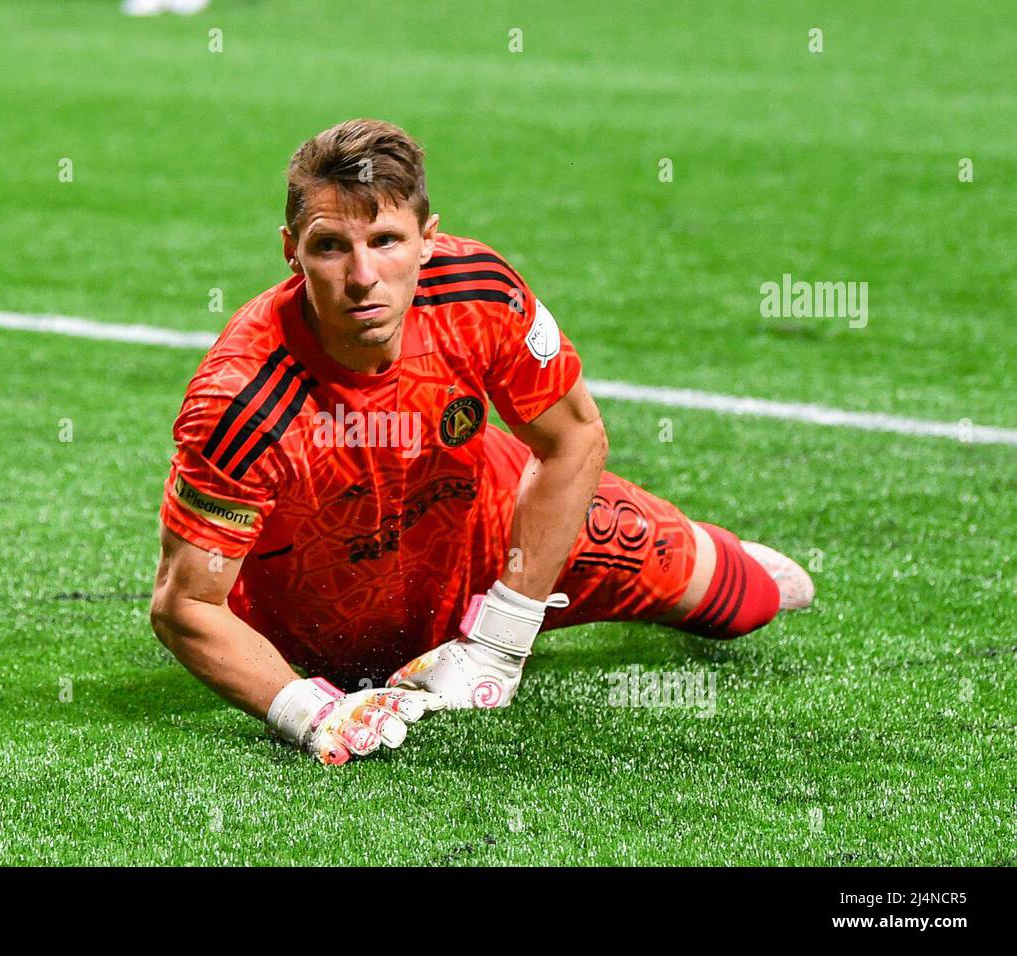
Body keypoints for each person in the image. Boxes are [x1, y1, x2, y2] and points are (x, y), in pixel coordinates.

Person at [151, 118, 813, 765]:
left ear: (428, 240)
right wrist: (307, 710)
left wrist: (501, 638)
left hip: (498, 534)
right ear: (290, 250)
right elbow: (186, 603)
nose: (362, 276)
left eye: (386, 240)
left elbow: (575, 437)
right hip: (323, 625)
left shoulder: (479, 294)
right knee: (335, 672)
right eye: (330, 247)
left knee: (755, 597)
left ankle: (707, 549)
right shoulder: (239, 401)